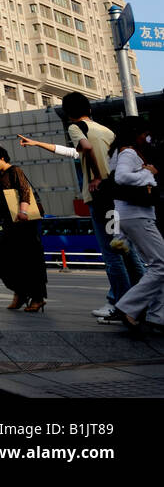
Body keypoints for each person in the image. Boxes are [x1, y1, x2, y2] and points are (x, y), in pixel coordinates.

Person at [62, 91, 144, 317]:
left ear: (69, 114)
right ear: (89, 109)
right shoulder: (106, 130)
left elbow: (86, 148)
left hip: (100, 197)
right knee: (126, 250)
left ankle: (123, 306)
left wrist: (97, 177)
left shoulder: (75, 127)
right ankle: (144, 300)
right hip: (117, 195)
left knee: (112, 254)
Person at [101, 117, 163, 333]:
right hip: (137, 215)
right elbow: (123, 178)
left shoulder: (118, 152)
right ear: (135, 133)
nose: (147, 138)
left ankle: (157, 316)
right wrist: (149, 173)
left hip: (129, 215)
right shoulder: (128, 153)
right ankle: (129, 308)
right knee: (161, 265)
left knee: (158, 266)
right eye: (144, 133)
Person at [0, 145, 47, 312]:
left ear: (1, 157)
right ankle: (20, 293)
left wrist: (23, 211)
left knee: (29, 260)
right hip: (10, 221)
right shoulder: (0, 176)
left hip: (25, 221)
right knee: (7, 261)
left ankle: (37, 298)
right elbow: (3, 204)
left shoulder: (15, 171)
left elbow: (25, 190)